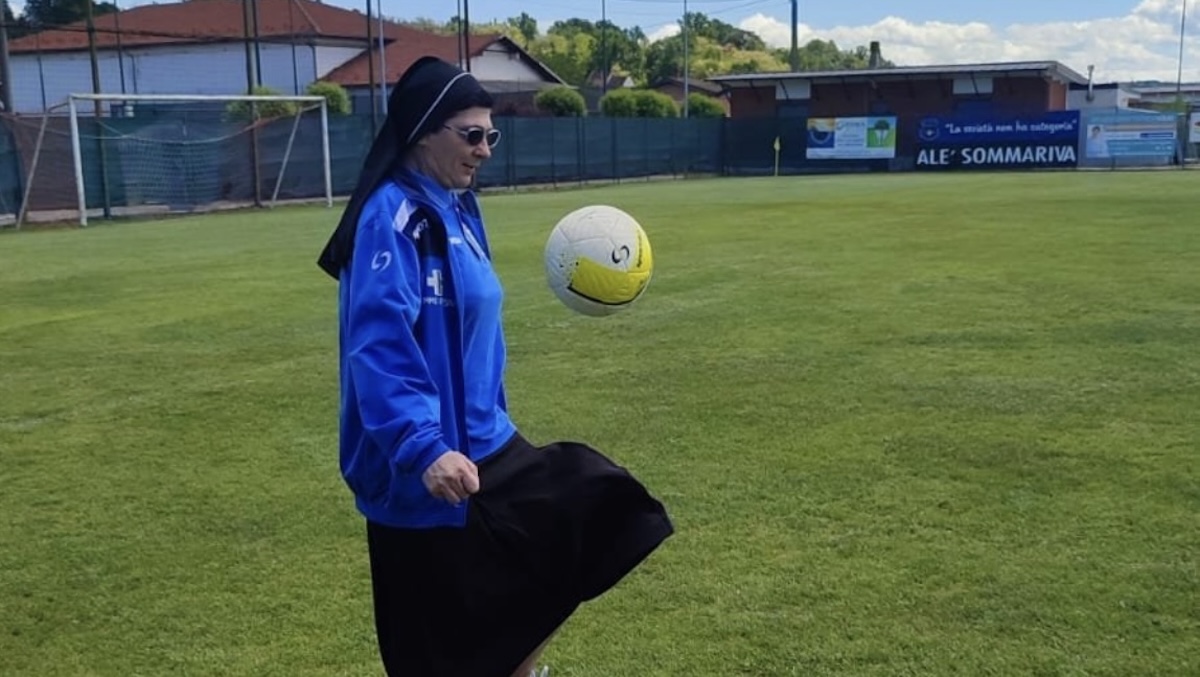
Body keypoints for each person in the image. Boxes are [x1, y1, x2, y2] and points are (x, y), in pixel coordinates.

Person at [316, 56, 674, 677]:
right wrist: (423, 447)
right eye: (472, 134)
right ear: (424, 130)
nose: (485, 149)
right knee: (434, 655)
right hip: (425, 466)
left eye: (491, 135)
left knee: (598, 510)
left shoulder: (459, 207)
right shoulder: (391, 218)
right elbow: (378, 344)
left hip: (487, 441)